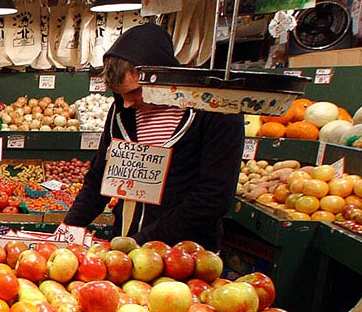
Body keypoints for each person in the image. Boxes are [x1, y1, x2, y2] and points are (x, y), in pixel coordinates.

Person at [61, 22, 244, 250]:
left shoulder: (216, 111)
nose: (127, 103)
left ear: (162, 75)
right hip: (129, 249)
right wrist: (69, 228)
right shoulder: (122, 111)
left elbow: (213, 197)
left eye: (135, 92)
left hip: (187, 256)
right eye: (119, 94)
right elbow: (101, 177)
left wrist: (142, 242)